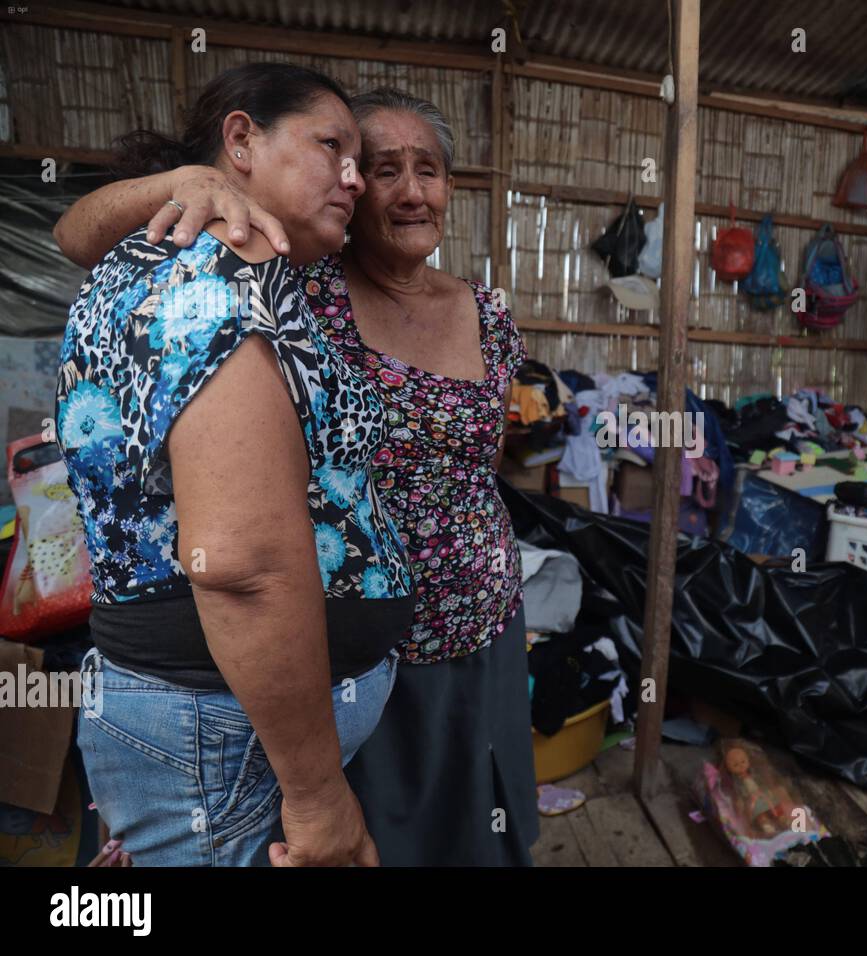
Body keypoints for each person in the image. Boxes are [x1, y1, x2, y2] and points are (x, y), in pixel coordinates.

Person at [56, 86, 539, 866]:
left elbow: (486, 461)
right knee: (381, 833)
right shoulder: (294, 276)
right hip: (346, 664)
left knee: (477, 824)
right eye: (378, 168)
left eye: (430, 170)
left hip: (481, 618)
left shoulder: (488, 314)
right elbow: (80, 235)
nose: (406, 190)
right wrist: (181, 183)